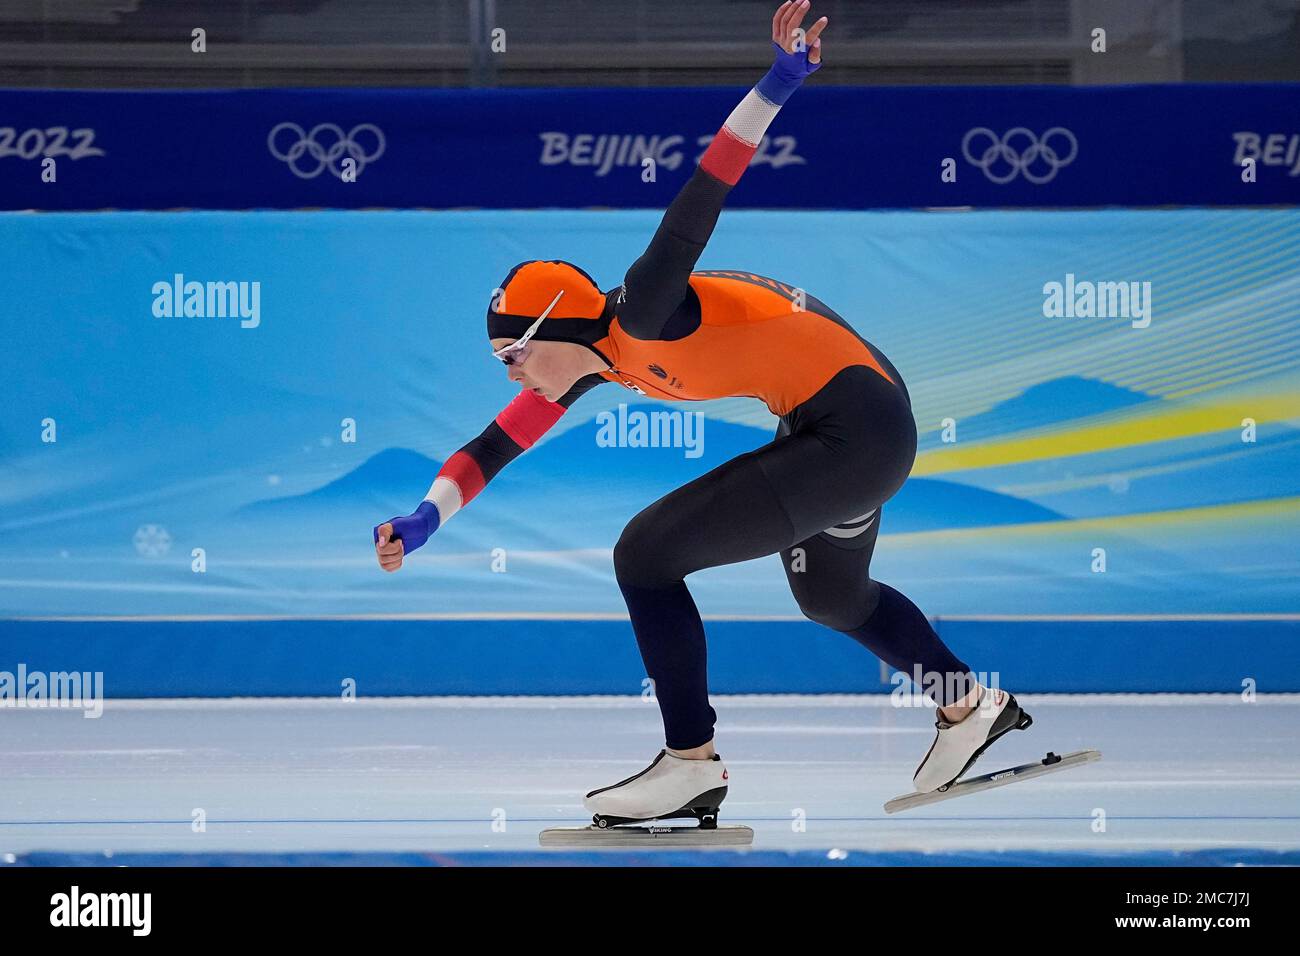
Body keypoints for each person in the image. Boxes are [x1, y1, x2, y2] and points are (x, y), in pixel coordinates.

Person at [374, 1, 1029, 829]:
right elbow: (491, 449)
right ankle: (968, 705)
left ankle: (689, 764)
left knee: (646, 555)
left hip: (855, 428)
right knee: (832, 596)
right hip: (846, 426)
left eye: (511, 354)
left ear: (551, 331)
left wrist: (781, 79)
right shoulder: (591, 366)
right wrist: (427, 516)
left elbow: (703, 191)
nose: (511, 373)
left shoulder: (643, 310)